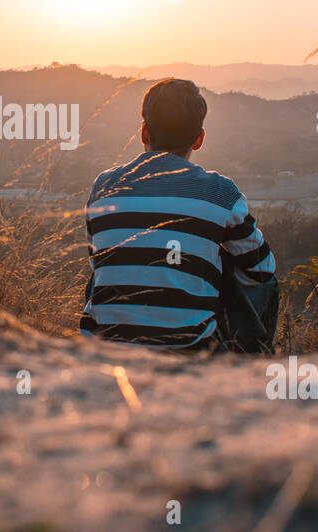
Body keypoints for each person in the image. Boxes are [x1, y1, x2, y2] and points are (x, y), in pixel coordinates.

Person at [80, 77, 279, 352]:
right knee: (227, 255)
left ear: (144, 133)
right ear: (199, 139)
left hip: (104, 349)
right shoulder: (221, 193)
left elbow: (96, 263)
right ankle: (248, 359)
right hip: (188, 350)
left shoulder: (104, 185)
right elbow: (262, 271)